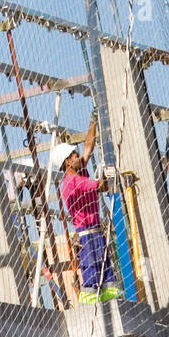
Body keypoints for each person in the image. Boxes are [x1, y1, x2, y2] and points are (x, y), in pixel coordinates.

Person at [49, 118, 123, 305]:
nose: (78, 157)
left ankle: (112, 305)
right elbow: (102, 186)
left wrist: (92, 123)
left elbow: (87, 150)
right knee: (92, 275)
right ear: (67, 162)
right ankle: (90, 310)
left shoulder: (78, 174)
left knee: (106, 274)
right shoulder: (73, 183)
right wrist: (109, 172)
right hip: (87, 236)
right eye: (74, 156)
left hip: (95, 232)